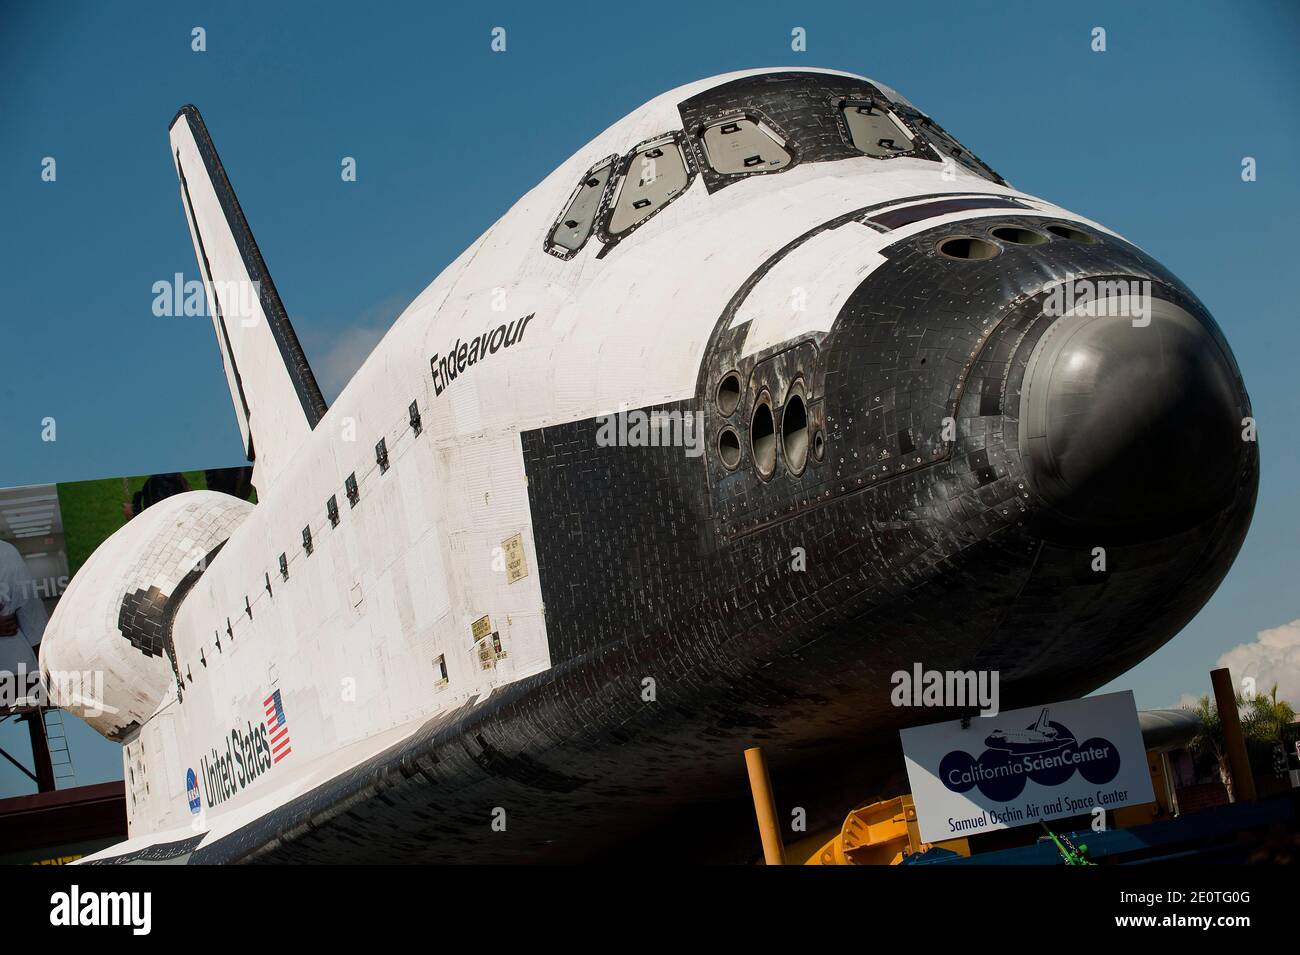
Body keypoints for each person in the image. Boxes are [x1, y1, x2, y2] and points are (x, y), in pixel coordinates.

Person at [0, 537, 49, 707]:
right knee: (35, 724)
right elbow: (34, 621)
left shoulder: (5, 553)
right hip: (17, 672)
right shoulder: (5, 551)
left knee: (34, 724)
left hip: (17, 672)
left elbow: (32, 616)